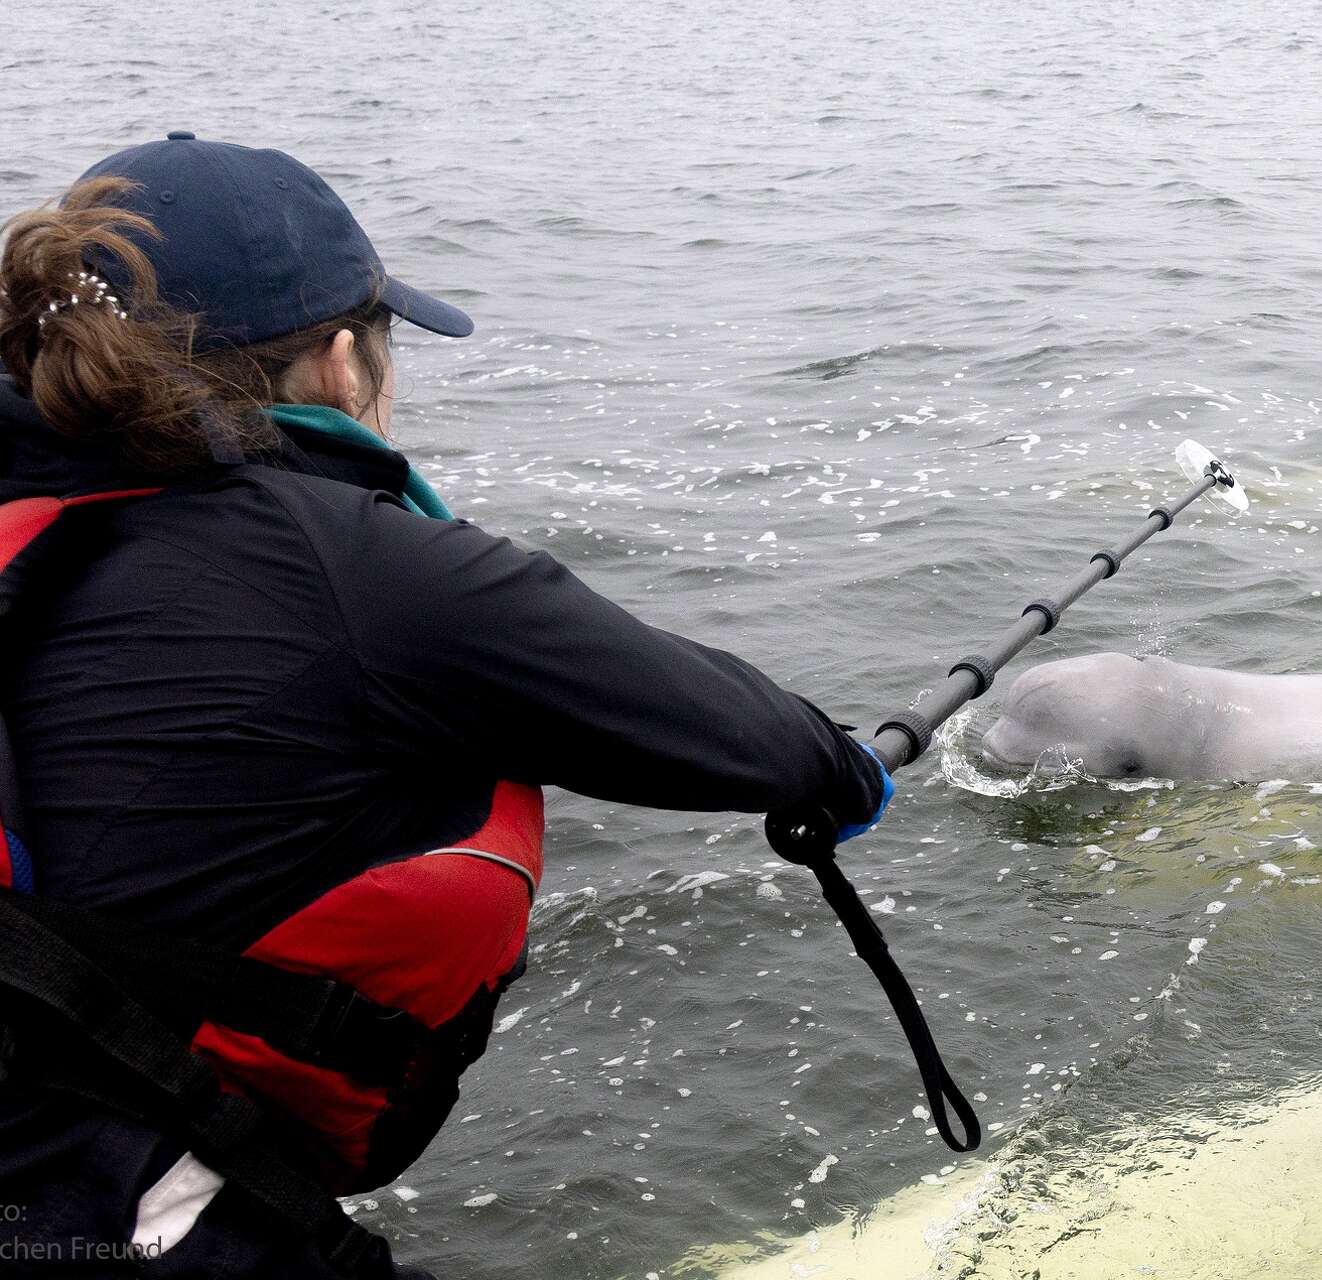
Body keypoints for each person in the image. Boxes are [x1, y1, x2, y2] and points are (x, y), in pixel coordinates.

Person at [0, 134, 890, 1279]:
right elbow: (753, 739)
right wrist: (850, 771)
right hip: (89, 1201)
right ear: (340, 366)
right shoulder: (357, 567)